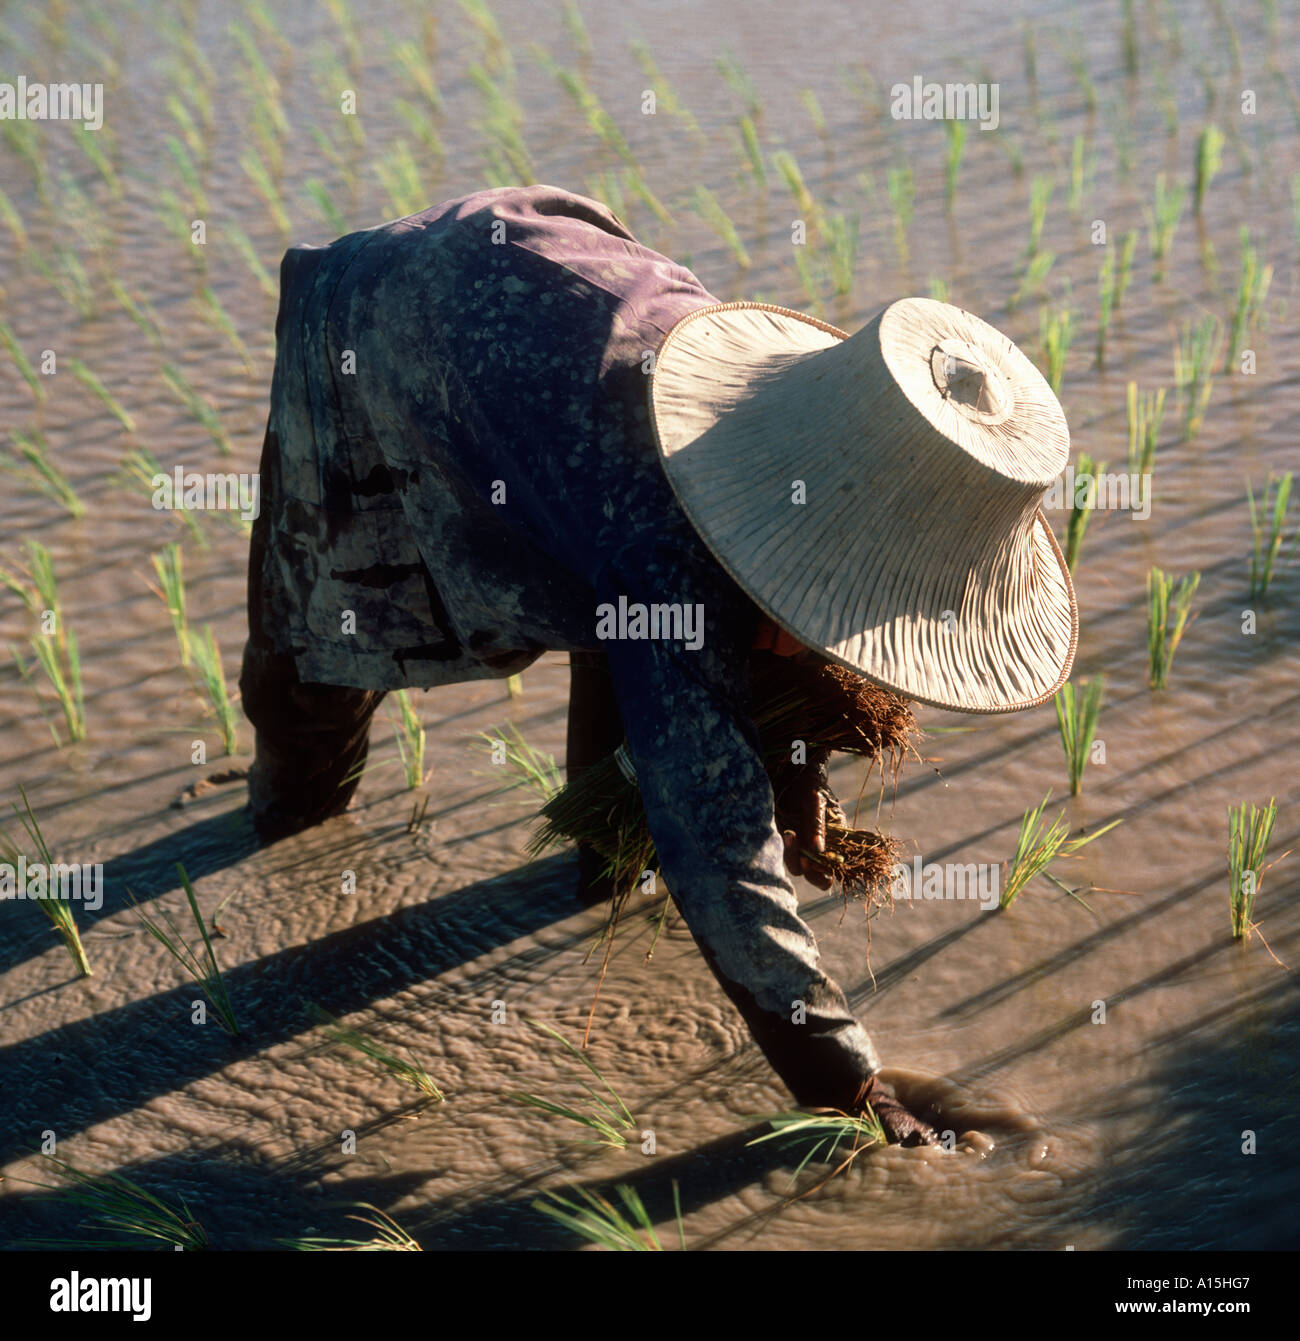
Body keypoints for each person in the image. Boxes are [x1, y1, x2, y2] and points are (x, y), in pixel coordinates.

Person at [240, 184, 1077, 1146]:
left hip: (545, 302)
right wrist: (849, 1083)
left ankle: (602, 873)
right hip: (380, 325)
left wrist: (799, 783)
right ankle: (284, 840)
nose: (842, 625)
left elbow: (777, 640)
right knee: (318, 648)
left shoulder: (812, 440)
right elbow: (712, 837)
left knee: (635, 615)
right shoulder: (663, 538)